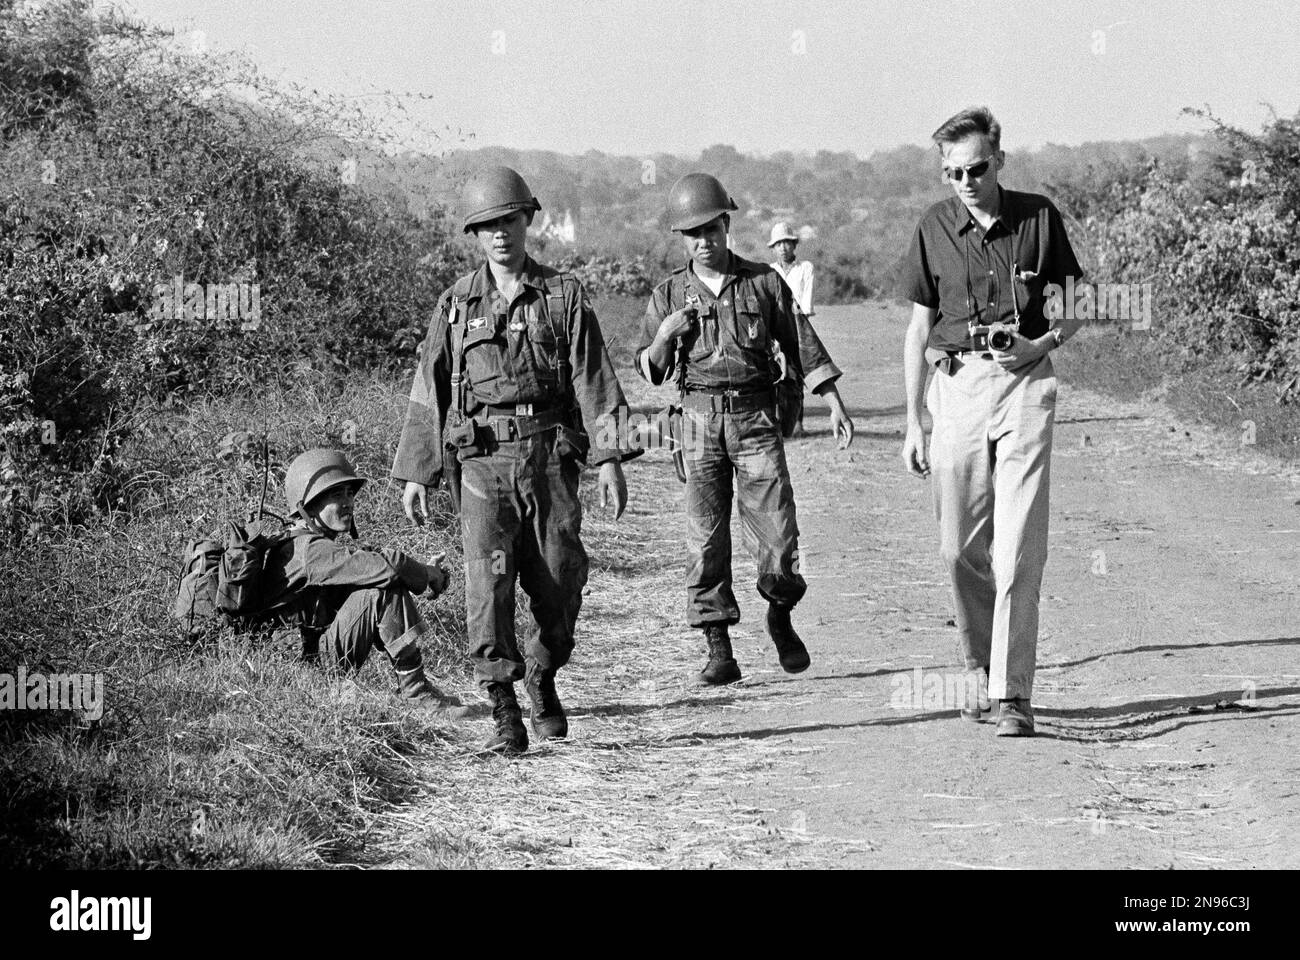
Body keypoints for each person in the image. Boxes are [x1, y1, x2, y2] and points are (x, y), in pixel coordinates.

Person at [392, 165, 636, 755]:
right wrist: (417, 473)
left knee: (559, 579)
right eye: (487, 225)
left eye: (509, 220)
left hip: (551, 457)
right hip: (481, 464)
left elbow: (594, 379)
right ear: (475, 235)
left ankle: (543, 672)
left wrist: (610, 459)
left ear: (529, 220)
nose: (500, 233)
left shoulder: (563, 297)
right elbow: (431, 389)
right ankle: (503, 706)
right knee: (488, 581)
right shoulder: (454, 306)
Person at [898, 106, 1086, 737]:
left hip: (1027, 383)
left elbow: (1073, 306)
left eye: (976, 168)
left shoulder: (1037, 217)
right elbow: (919, 327)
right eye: (952, 172)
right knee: (959, 550)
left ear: (999, 161)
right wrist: (913, 422)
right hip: (955, 387)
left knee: (1017, 549)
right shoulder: (934, 226)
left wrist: (1041, 345)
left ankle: (1012, 694)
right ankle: (977, 666)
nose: (965, 181)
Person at [635, 173, 854, 685]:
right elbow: (651, 368)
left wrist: (834, 402)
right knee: (705, 539)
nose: (704, 242)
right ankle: (719, 648)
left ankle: (780, 615)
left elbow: (802, 345)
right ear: (682, 239)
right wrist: (666, 334)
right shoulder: (668, 293)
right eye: (693, 235)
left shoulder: (762, 282)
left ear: (726, 225)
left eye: (711, 230)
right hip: (697, 420)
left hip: (756, 419)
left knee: (779, 532)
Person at [258, 448, 467, 715]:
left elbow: (376, 568)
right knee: (382, 590)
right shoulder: (308, 551)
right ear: (307, 505)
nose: (348, 502)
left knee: (380, 582)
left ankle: (416, 688)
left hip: (310, 658)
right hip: (300, 671)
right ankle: (415, 695)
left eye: (349, 493)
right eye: (336, 495)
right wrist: (427, 574)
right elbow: (387, 567)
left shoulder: (312, 546)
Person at [768, 220, 816, 436]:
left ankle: (798, 422)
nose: (783, 248)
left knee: (796, 375)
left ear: (794, 245)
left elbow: (805, 303)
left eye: (787, 243)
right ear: (773, 248)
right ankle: (777, 421)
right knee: (775, 375)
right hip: (774, 331)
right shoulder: (769, 272)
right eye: (779, 244)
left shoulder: (805, 268)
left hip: (797, 328)